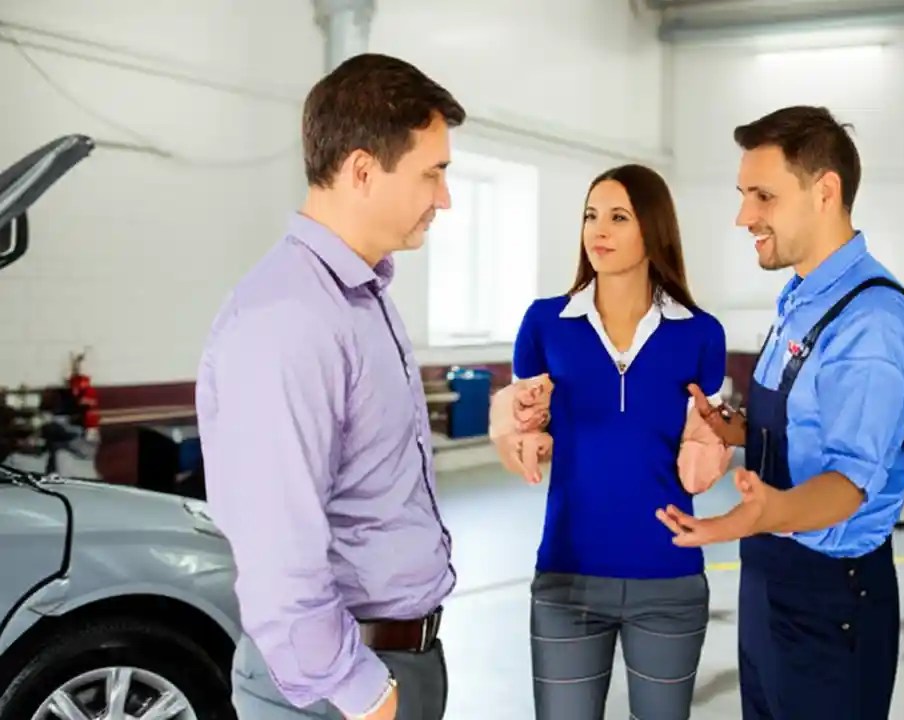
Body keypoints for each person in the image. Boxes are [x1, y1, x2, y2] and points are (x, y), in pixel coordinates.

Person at [195, 53, 465, 720]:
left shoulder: (360, 295)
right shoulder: (289, 316)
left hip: (396, 659)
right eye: (433, 173)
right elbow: (274, 544)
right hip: (332, 688)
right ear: (363, 171)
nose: (444, 198)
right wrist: (361, 692)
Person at [656, 106, 904, 719]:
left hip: (830, 599)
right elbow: (800, 429)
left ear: (824, 191)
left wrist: (756, 515)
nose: (743, 216)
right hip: (772, 577)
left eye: (763, 196)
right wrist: (737, 432)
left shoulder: (873, 319)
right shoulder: (800, 299)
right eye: (743, 195)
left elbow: (848, 484)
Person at [487, 164, 730, 720]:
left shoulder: (700, 333)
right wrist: (518, 426)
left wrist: (712, 449)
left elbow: (707, 442)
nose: (599, 229)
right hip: (567, 577)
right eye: (591, 216)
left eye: (618, 217)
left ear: (654, 229)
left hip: (668, 580)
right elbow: (523, 417)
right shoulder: (545, 322)